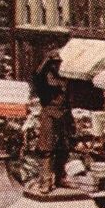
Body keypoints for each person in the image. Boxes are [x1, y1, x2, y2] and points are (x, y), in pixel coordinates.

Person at [28, 50, 73, 192]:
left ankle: (60, 178)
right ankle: (45, 182)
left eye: (58, 62)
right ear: (50, 64)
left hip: (64, 115)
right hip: (49, 114)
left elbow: (67, 100)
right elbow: (37, 74)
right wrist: (46, 59)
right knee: (47, 149)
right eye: (54, 63)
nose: (57, 65)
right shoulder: (43, 78)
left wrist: (71, 120)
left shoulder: (63, 78)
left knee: (64, 148)